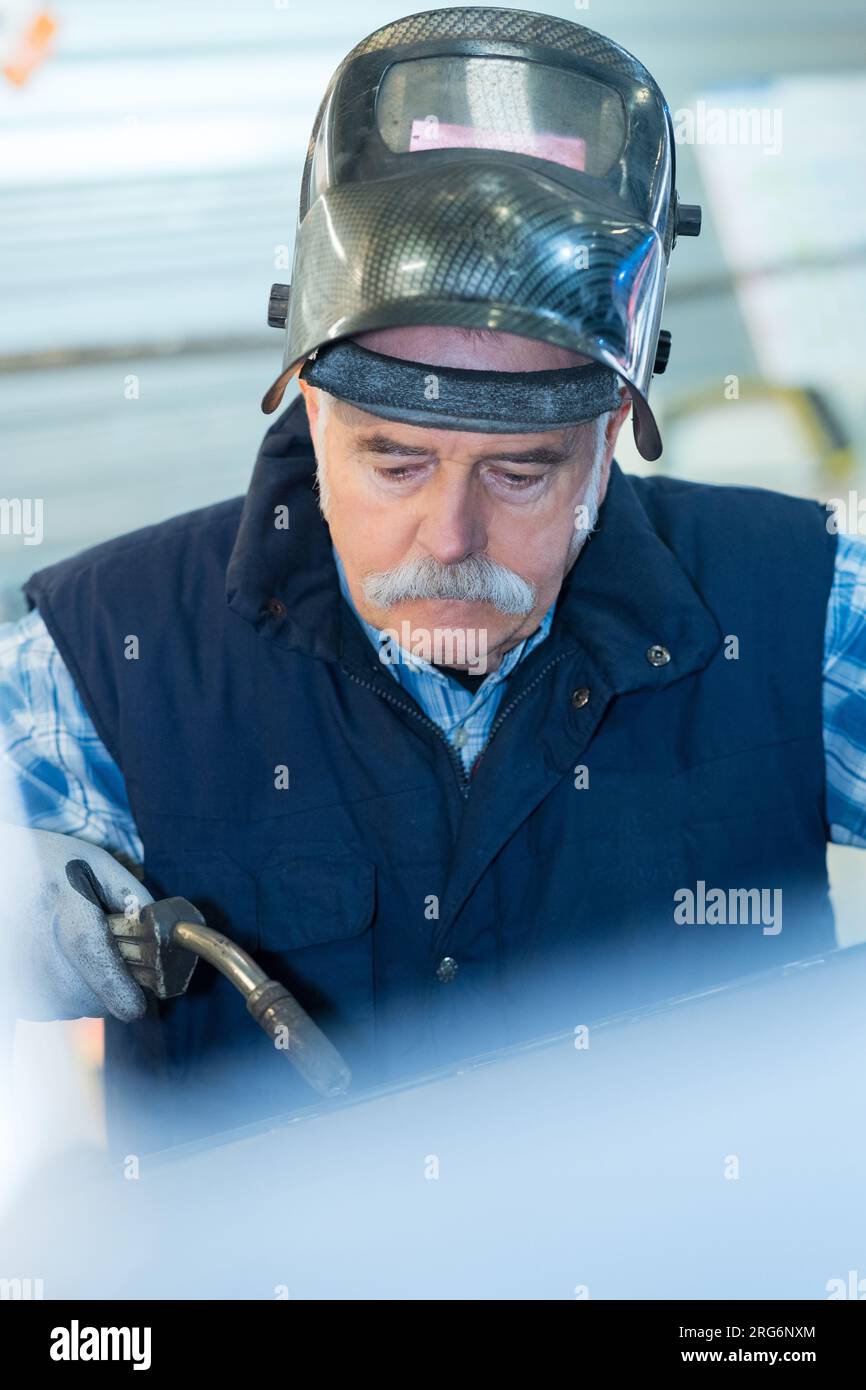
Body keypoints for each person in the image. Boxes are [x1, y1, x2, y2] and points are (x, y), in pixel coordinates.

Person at [2, 7, 864, 1152]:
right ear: (311, 408)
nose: (447, 534)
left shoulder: (797, 608)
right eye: (393, 460)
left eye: (517, 471)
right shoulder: (109, 657)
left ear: (608, 434)